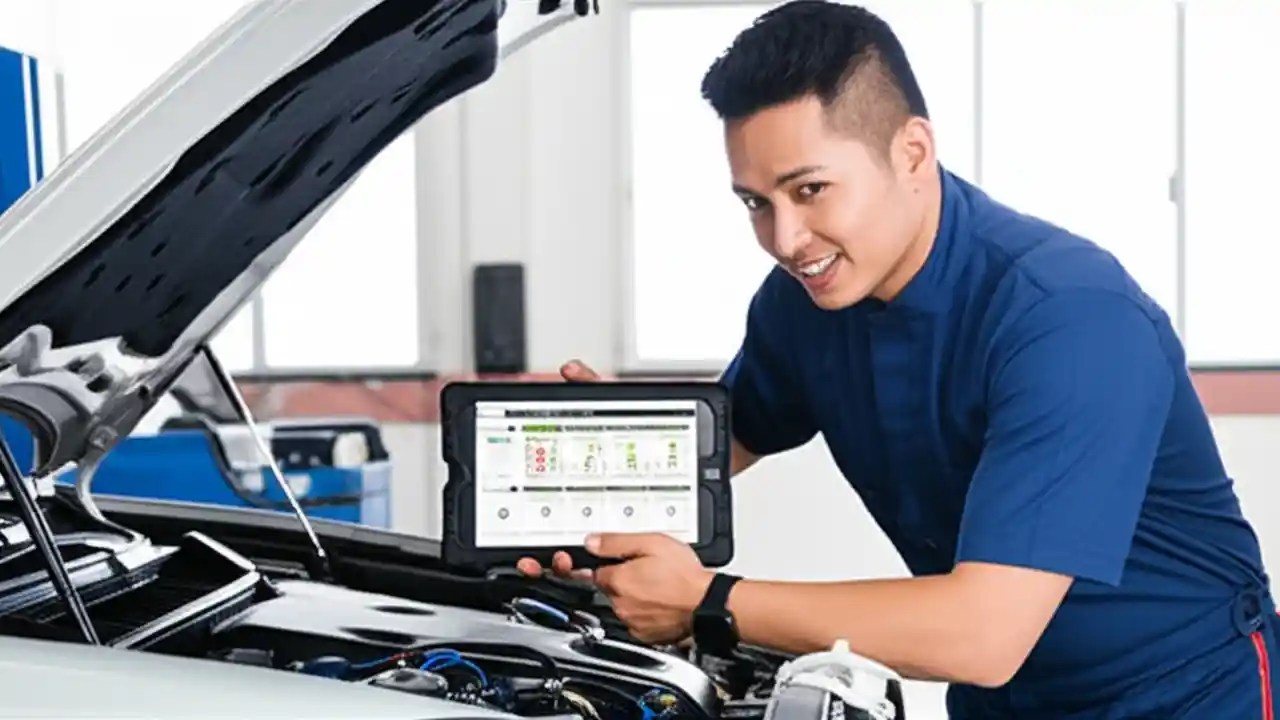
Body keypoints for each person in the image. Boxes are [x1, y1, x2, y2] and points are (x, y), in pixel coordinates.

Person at [517, 1, 1278, 716]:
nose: (785, 240)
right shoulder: (806, 301)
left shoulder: (1071, 317)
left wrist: (709, 600)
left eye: (810, 189)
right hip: (1000, 700)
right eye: (755, 203)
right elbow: (714, 455)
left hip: (1181, 692)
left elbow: (984, 632)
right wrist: (608, 463)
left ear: (912, 151)